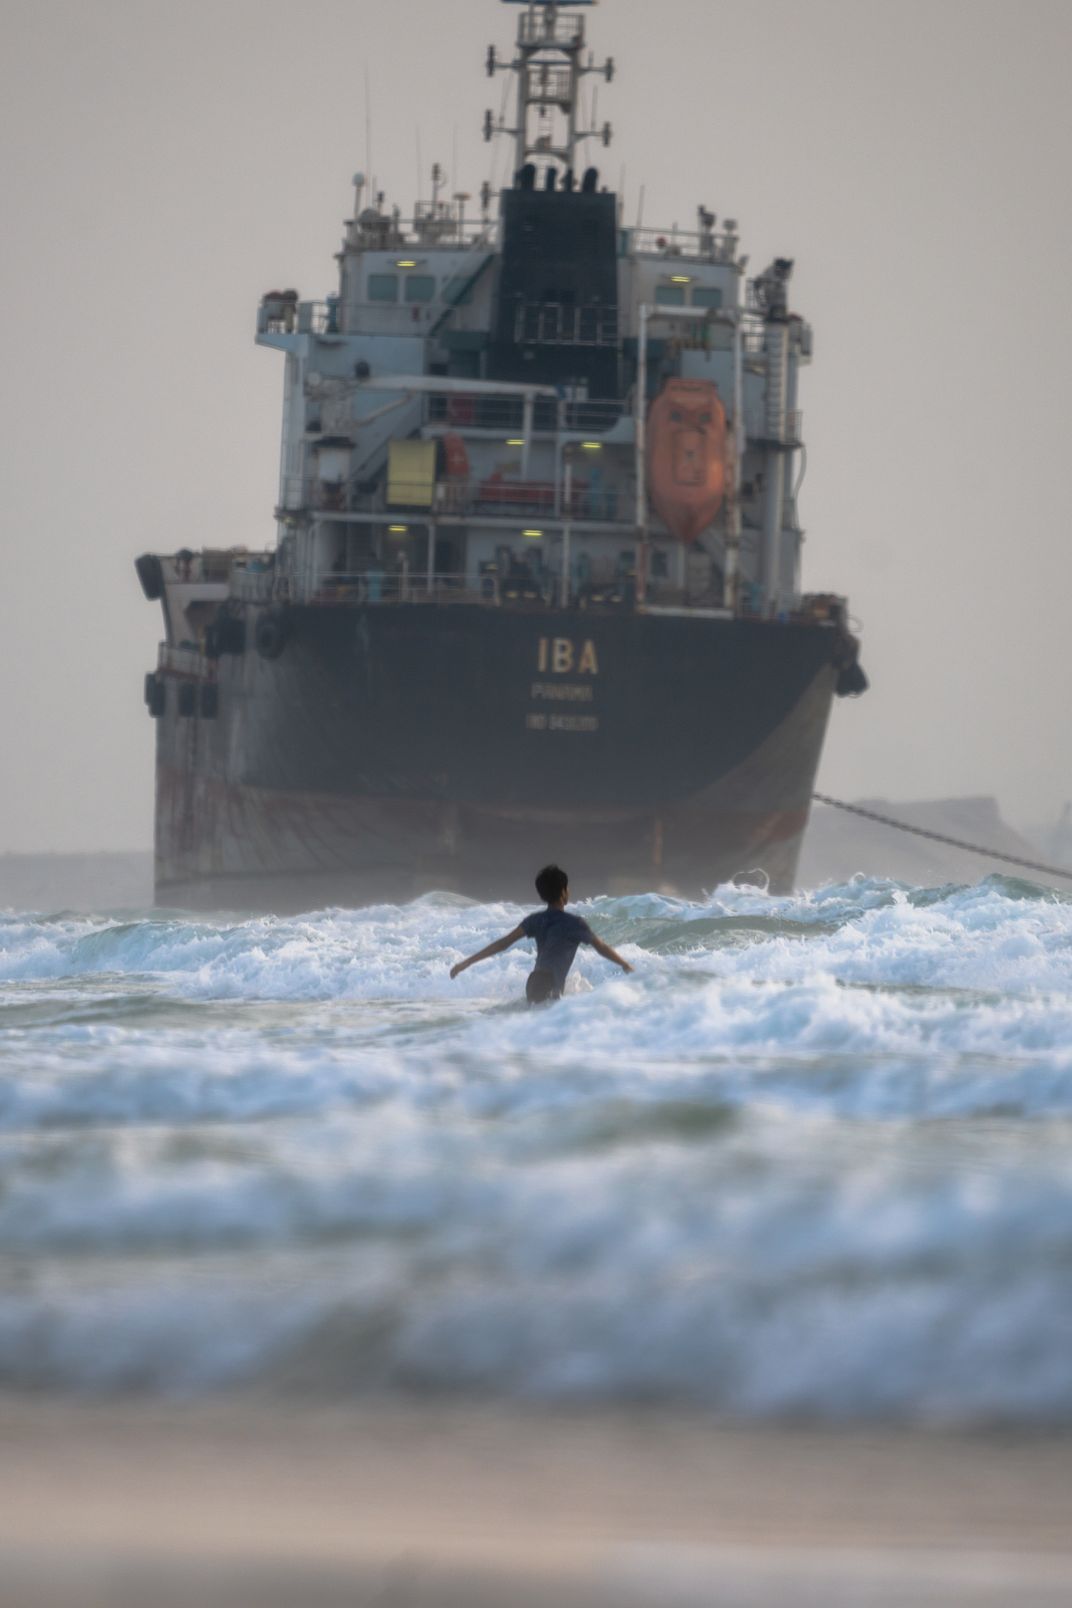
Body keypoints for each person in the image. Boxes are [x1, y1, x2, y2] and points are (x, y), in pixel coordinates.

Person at [449, 864, 634, 1003]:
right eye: (567, 887)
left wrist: (466, 963)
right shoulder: (574, 923)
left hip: (533, 982)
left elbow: (503, 943)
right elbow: (600, 947)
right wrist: (625, 964)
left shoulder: (536, 920)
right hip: (549, 984)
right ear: (563, 892)